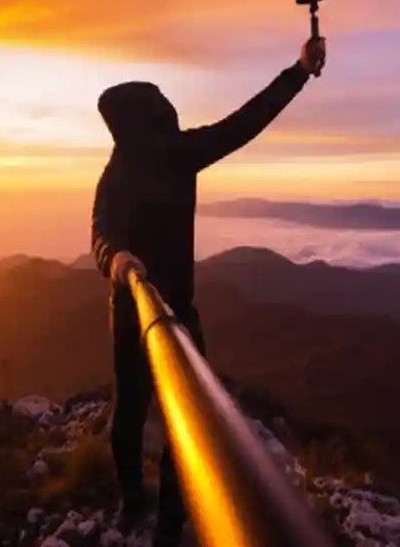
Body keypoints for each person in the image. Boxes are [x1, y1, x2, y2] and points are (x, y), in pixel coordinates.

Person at [90, 35, 326, 545]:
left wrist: (300, 71)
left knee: (155, 415)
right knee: (144, 413)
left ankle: (162, 519)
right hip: (148, 310)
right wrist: (117, 261)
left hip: (153, 310)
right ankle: (143, 505)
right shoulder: (150, 163)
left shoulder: (148, 162)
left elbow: (247, 121)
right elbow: (101, 235)